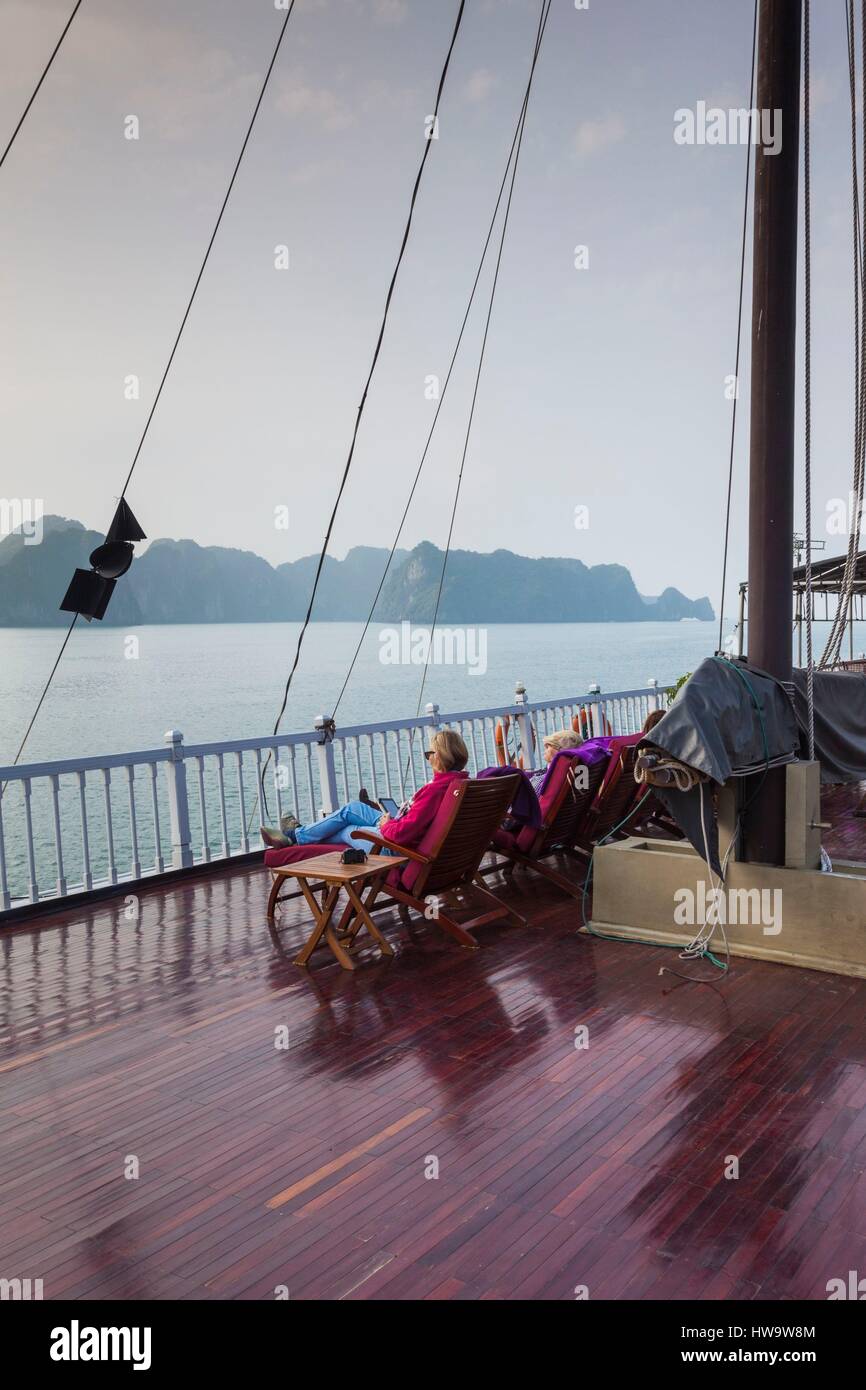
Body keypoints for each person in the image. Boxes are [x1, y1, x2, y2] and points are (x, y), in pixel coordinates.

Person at [260, 728, 470, 853]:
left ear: (440, 756)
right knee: (352, 809)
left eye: (430, 753)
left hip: (395, 849)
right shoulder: (462, 785)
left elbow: (402, 835)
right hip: (406, 832)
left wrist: (387, 824)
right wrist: (393, 820)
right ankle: (297, 834)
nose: (429, 758)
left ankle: (293, 837)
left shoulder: (436, 790)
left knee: (347, 828)